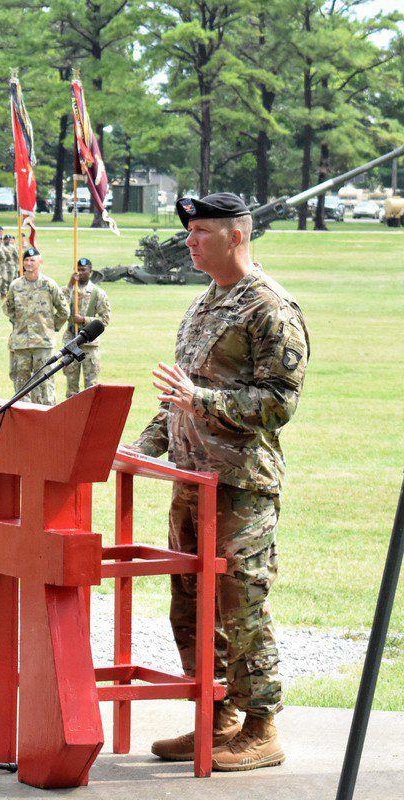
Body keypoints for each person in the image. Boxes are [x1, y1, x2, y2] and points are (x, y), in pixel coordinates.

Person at [135, 193, 309, 772]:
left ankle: (261, 728)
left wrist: (202, 399)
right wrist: (141, 447)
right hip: (190, 480)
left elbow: (280, 403)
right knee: (189, 605)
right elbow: (177, 395)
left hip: (240, 484)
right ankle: (215, 717)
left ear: (237, 235)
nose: (189, 241)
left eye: (201, 231)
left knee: (242, 602)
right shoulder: (203, 305)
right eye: (189, 232)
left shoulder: (270, 307)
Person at [4, 247, 68, 405]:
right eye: (26, 260)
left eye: (32, 260)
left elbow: (64, 310)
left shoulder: (48, 285)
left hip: (43, 343)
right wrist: (19, 324)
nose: (29, 263)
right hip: (21, 343)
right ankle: (22, 417)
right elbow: (8, 308)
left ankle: (47, 415)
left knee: (44, 382)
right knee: (21, 384)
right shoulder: (15, 285)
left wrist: (51, 327)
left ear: (40, 262)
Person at [62, 257, 111, 398]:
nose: (80, 273)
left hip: (89, 345)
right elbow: (61, 308)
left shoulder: (97, 293)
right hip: (71, 342)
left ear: (90, 271)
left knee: (91, 386)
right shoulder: (69, 290)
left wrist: (85, 320)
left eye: (83, 270)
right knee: (71, 386)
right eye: (77, 270)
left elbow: (105, 319)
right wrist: (70, 285)